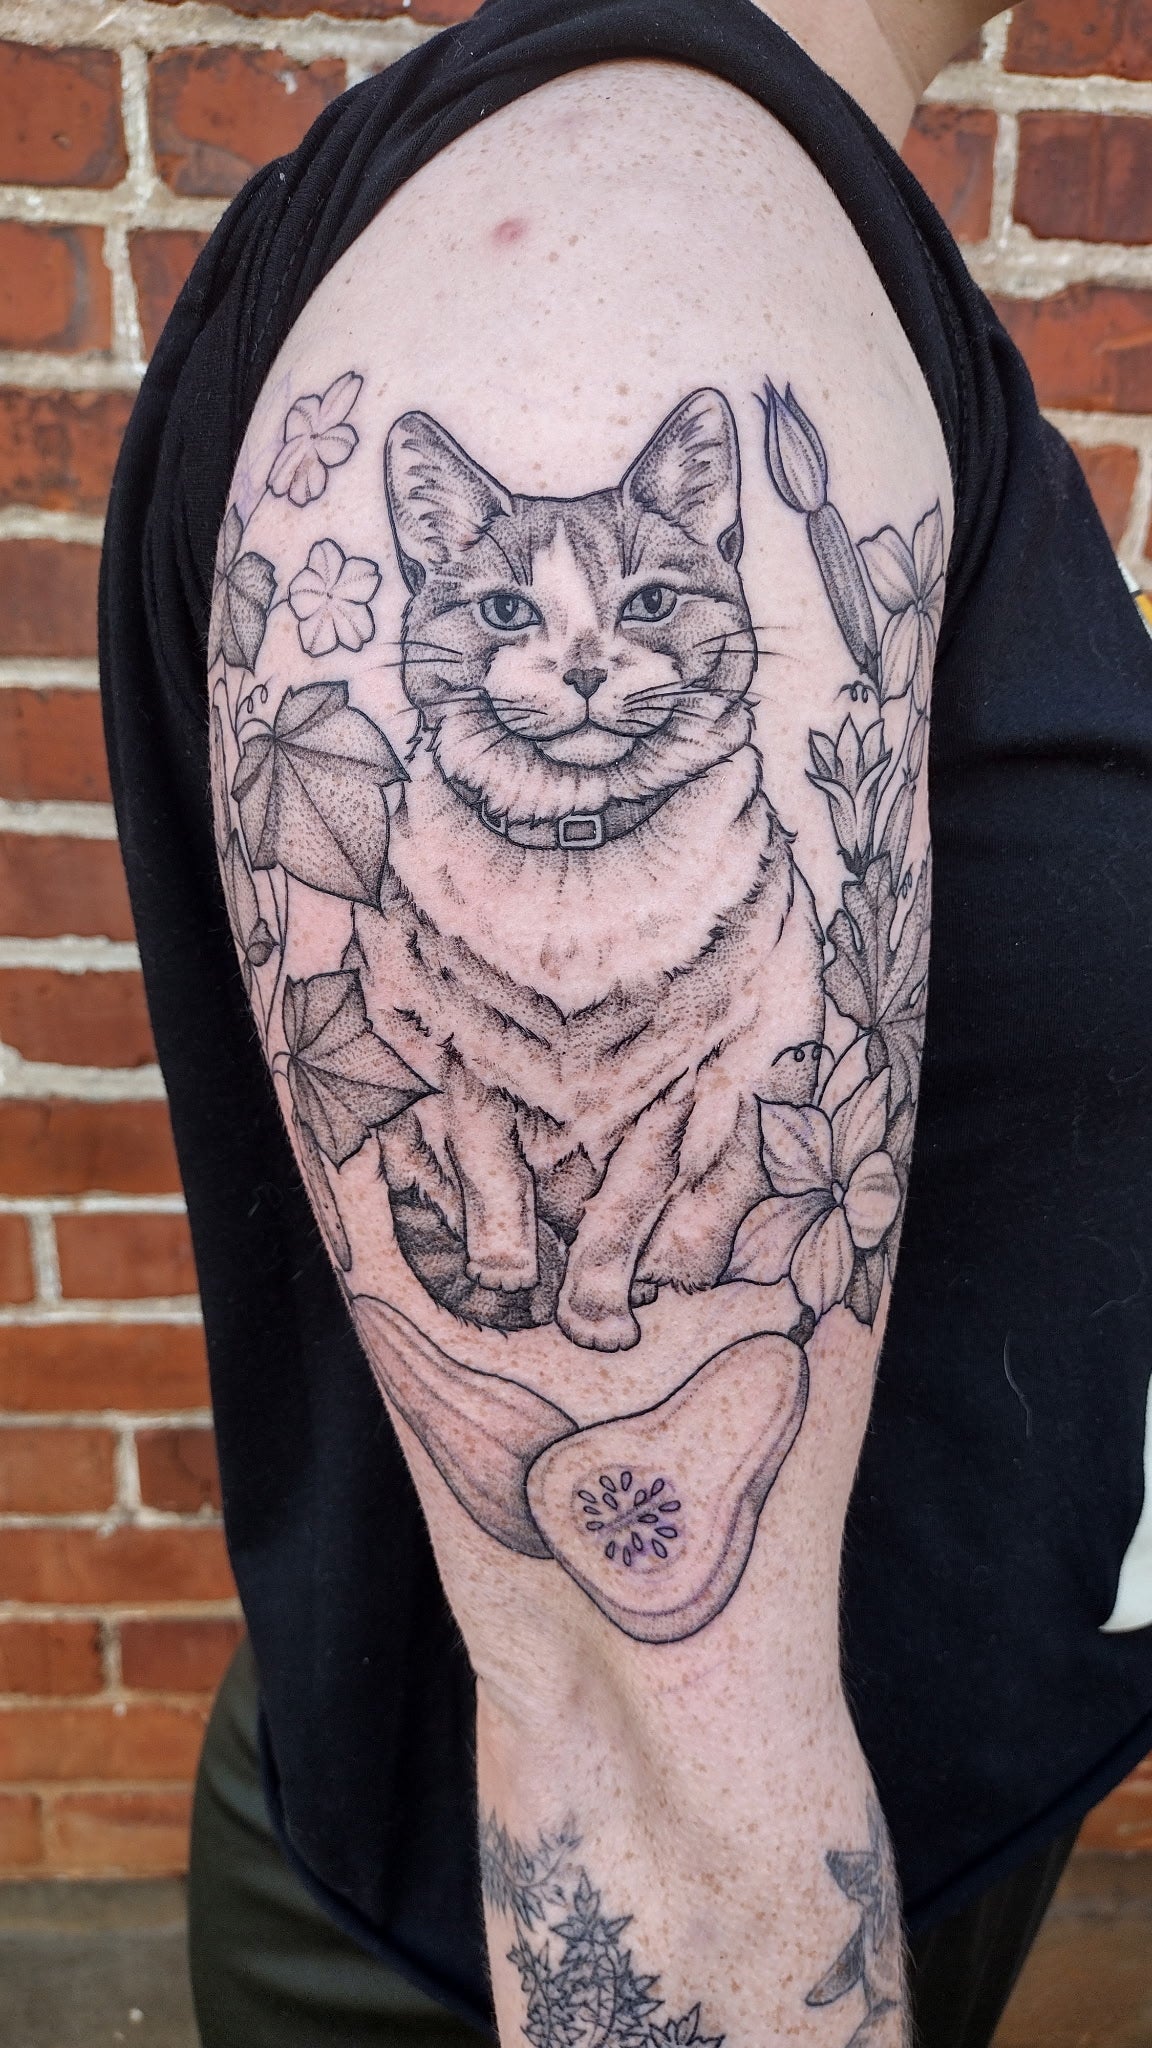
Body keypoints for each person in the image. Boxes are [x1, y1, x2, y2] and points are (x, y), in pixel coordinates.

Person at [98, 2, 1152, 2043]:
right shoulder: (629, 247)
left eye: (651, 603)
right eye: (509, 610)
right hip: (612, 1943)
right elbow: (642, 1750)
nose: (584, 665)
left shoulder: (756, 206)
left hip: (906, 1816)